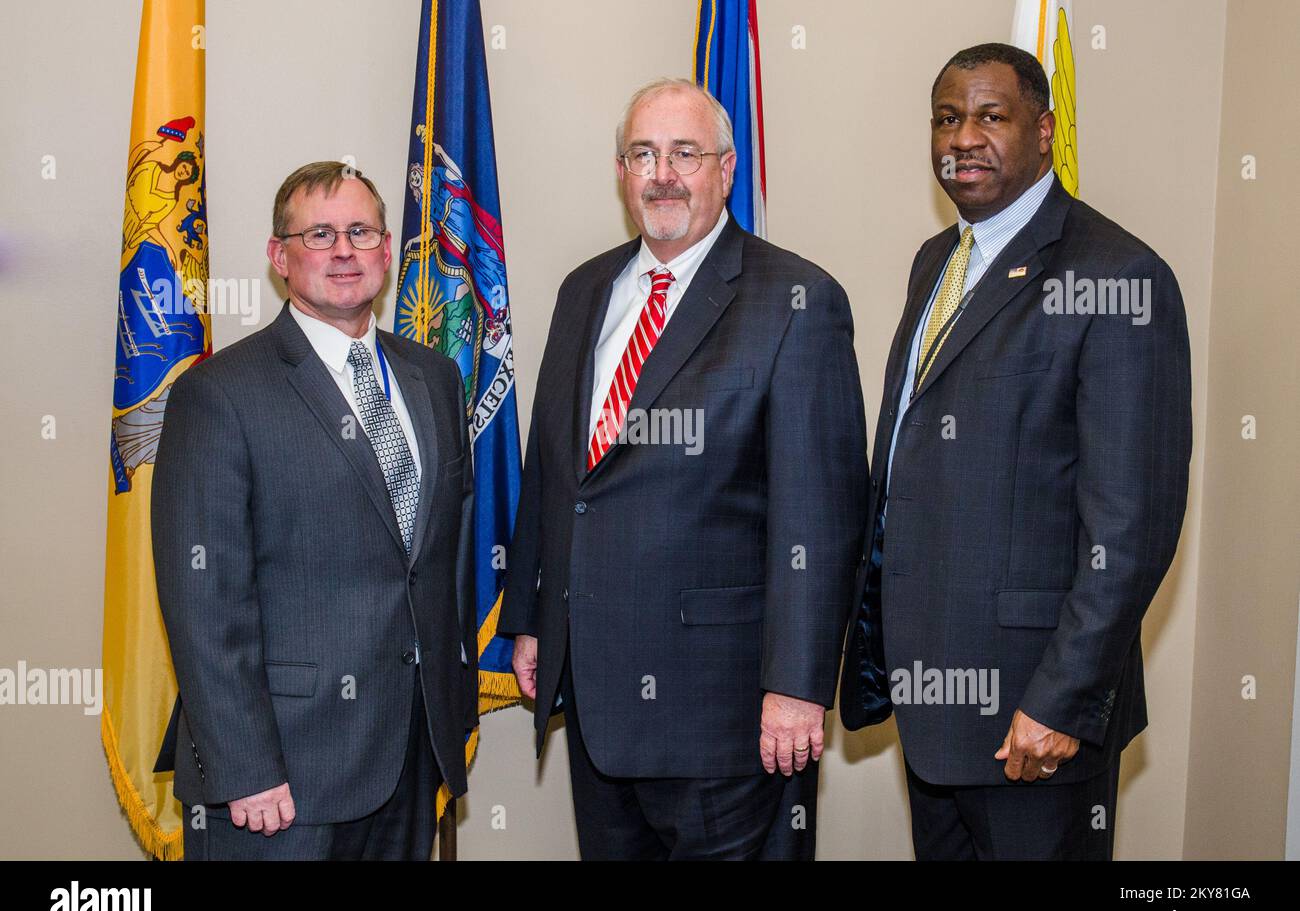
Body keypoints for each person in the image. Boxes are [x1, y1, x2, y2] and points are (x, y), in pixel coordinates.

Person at [499, 78, 868, 860]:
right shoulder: (584, 289)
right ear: (622, 170)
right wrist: (532, 615)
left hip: (726, 714)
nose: (662, 173)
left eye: (685, 153)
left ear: (726, 169)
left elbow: (823, 516)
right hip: (596, 699)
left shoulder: (798, 299)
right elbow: (555, 467)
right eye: (643, 153)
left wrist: (799, 684)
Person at [840, 44, 1192, 860]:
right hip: (935, 707)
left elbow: (1130, 526)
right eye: (946, 118)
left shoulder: (1119, 275)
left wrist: (1063, 698)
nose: (963, 138)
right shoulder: (939, 261)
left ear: (1044, 130)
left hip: (1031, 715)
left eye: (990, 117)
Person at [152, 161, 476, 860]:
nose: (343, 251)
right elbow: (201, 599)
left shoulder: (436, 379)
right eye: (319, 233)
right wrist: (247, 766)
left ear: (388, 251)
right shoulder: (220, 394)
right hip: (279, 782)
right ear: (279, 256)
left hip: (410, 759)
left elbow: (439, 564)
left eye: (360, 231)